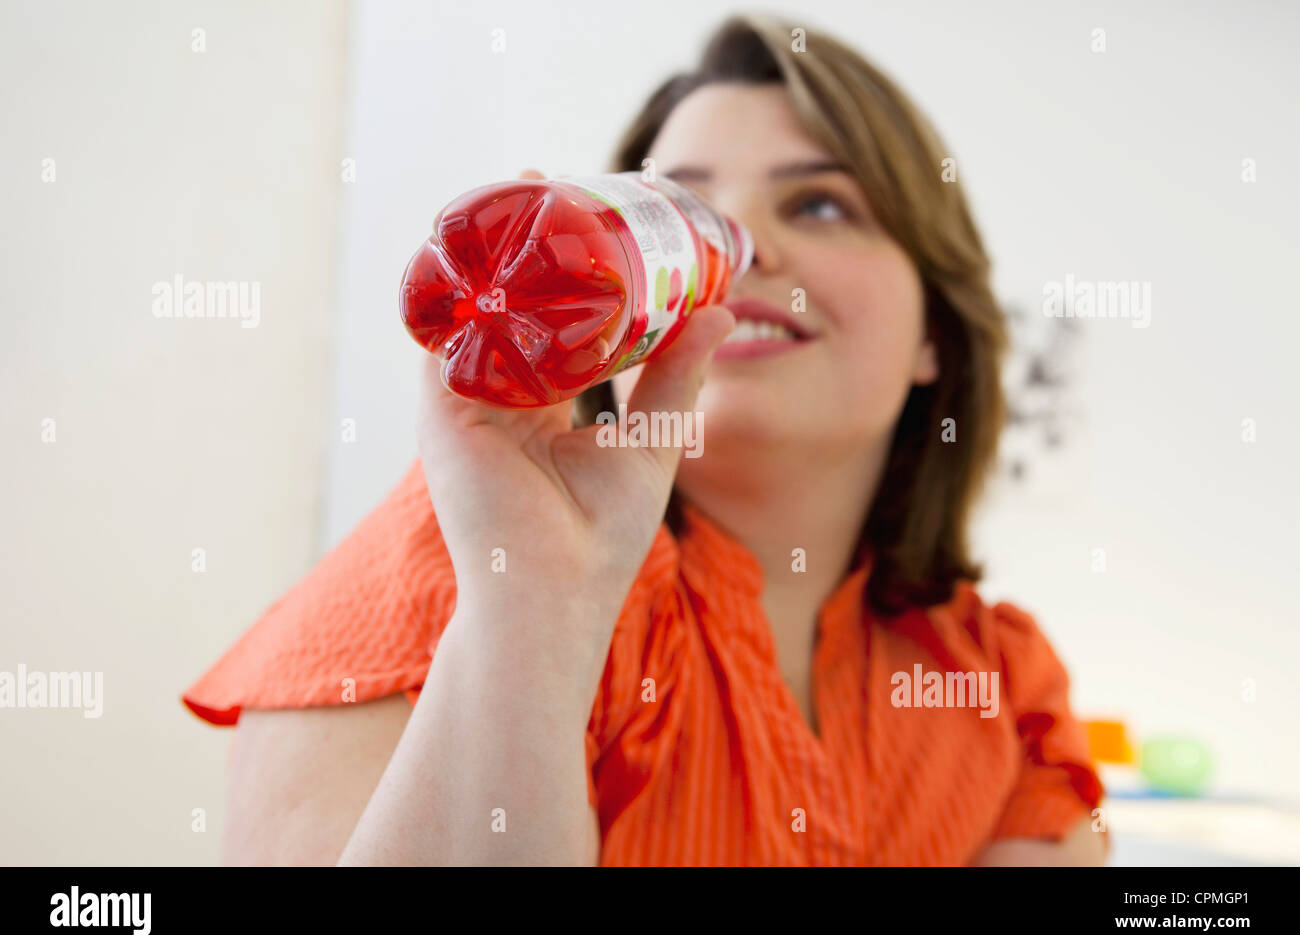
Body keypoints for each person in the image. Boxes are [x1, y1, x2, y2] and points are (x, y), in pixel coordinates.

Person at [182, 14, 1107, 866]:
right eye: (683, 209)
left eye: (821, 206)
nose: (745, 247)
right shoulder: (466, 560)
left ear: (932, 336)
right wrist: (529, 621)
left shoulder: (995, 682)